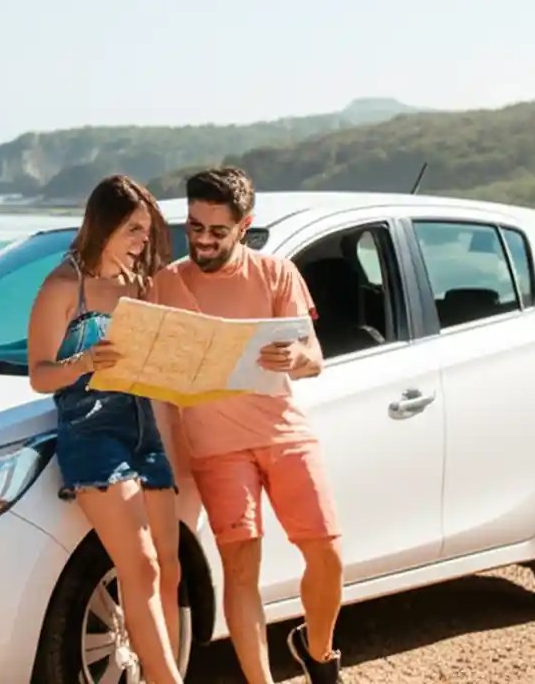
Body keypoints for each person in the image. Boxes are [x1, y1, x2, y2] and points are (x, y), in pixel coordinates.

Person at [149, 167, 345, 684]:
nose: (203, 241)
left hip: (284, 431)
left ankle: (318, 651)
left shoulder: (277, 274)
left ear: (245, 225)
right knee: (240, 570)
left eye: (217, 231)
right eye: (194, 228)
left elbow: (314, 356)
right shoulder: (167, 284)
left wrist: (295, 357)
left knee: (326, 554)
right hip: (215, 446)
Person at [26, 174, 185, 683]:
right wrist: (85, 360)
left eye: (146, 231)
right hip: (92, 434)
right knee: (139, 567)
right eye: (135, 229)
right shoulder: (61, 286)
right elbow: (39, 375)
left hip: (144, 429)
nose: (143, 241)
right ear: (106, 224)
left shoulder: (139, 283)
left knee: (168, 568)